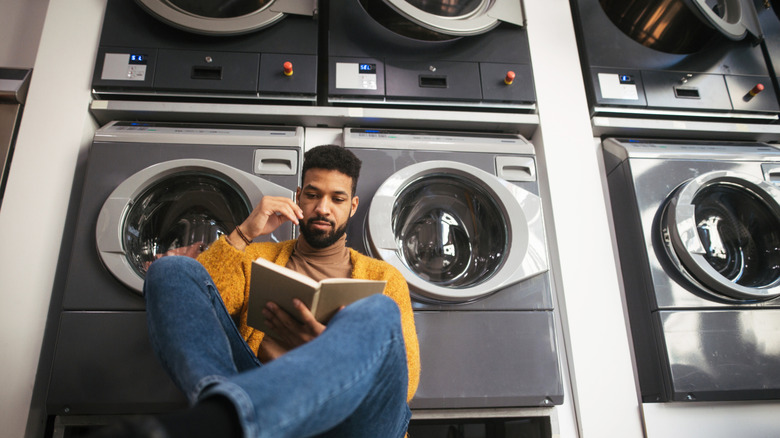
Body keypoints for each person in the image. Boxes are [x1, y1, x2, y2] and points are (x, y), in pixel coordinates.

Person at [95, 145, 420, 438]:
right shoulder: (254, 258)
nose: (322, 208)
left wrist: (327, 346)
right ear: (297, 197)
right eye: (312, 195)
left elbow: (403, 385)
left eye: (336, 199)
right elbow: (199, 313)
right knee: (170, 270)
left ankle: (224, 419)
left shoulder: (384, 276)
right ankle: (223, 415)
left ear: (352, 207)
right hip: (257, 400)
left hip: (351, 418)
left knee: (379, 310)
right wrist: (245, 232)